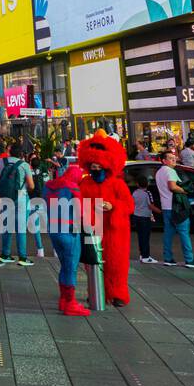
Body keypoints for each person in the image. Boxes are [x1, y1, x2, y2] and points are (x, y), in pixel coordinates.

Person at [77, 130, 134, 307]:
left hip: (115, 231)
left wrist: (113, 206)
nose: (95, 170)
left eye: (98, 167)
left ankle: (117, 294)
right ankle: (96, 290)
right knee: (93, 263)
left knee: (116, 264)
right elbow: (79, 204)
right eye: (92, 167)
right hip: (94, 230)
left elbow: (129, 205)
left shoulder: (117, 184)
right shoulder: (85, 184)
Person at [43, 162, 90, 316]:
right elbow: (81, 212)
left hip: (54, 230)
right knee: (71, 267)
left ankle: (64, 300)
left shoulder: (49, 186)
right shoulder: (73, 187)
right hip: (70, 230)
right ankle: (70, 303)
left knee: (64, 265)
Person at [155, 149, 194, 268]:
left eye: (174, 157)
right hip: (176, 207)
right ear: (164, 160)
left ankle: (168, 258)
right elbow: (172, 187)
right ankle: (189, 260)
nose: (174, 160)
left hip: (166, 207)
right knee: (184, 232)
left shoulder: (159, 172)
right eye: (170, 158)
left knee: (168, 233)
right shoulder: (171, 171)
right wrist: (184, 191)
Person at [0, 142, 35, 267]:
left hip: (4, 197)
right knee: (21, 228)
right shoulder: (24, 165)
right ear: (22, 154)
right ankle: (22, 257)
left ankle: (5, 254)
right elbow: (32, 185)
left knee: (7, 226)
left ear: (10, 151)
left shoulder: (1, 162)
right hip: (21, 198)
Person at [131, 175, 156, 263]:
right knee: (146, 237)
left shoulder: (135, 193)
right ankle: (146, 257)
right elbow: (151, 205)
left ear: (137, 184)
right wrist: (160, 212)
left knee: (141, 237)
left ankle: (142, 255)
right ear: (147, 184)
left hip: (136, 216)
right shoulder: (147, 193)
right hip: (145, 217)